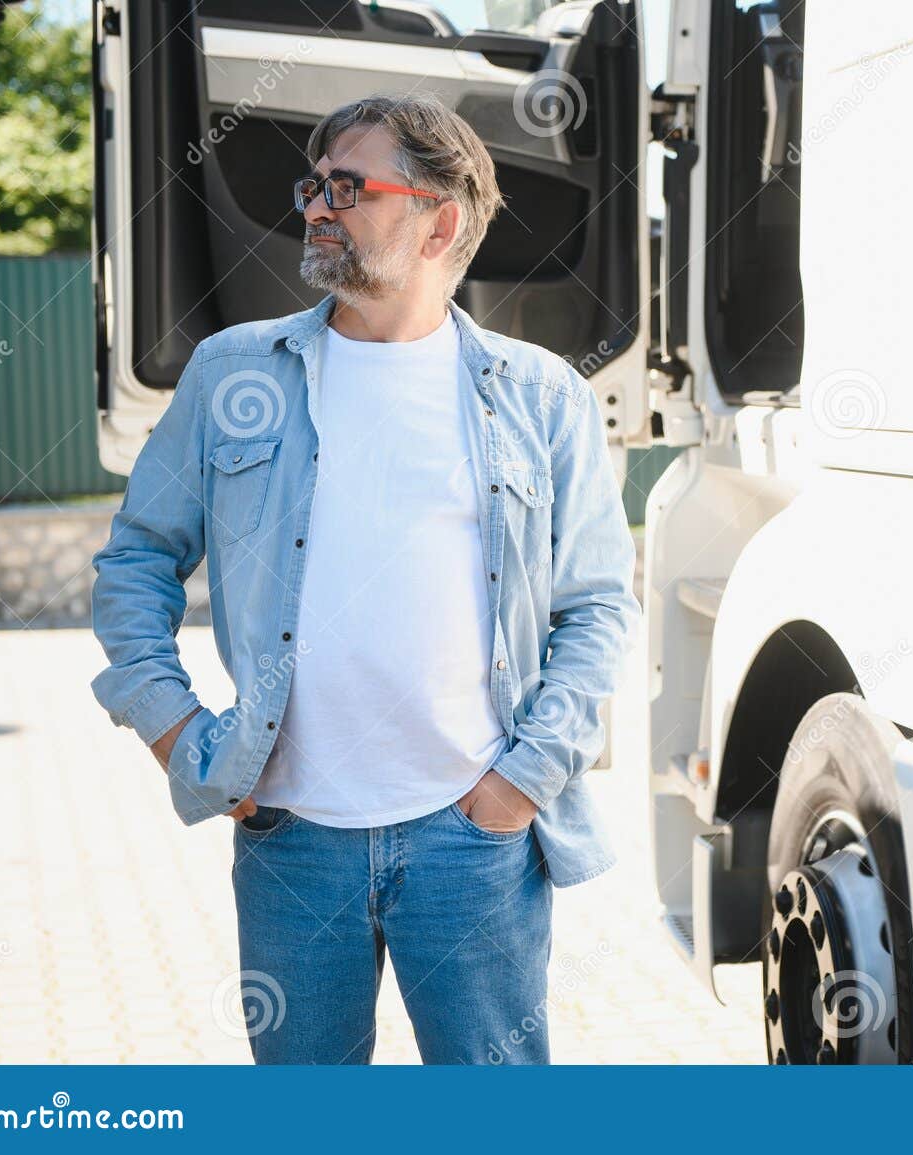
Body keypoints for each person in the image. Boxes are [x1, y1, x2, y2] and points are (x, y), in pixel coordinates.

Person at [89, 92, 639, 1064]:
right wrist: (177, 732)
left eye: (350, 187)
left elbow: (593, 604)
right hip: (290, 834)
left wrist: (520, 784)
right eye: (314, 185)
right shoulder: (234, 375)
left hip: (471, 841)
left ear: (442, 221)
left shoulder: (539, 393)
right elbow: (136, 560)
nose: (314, 207)